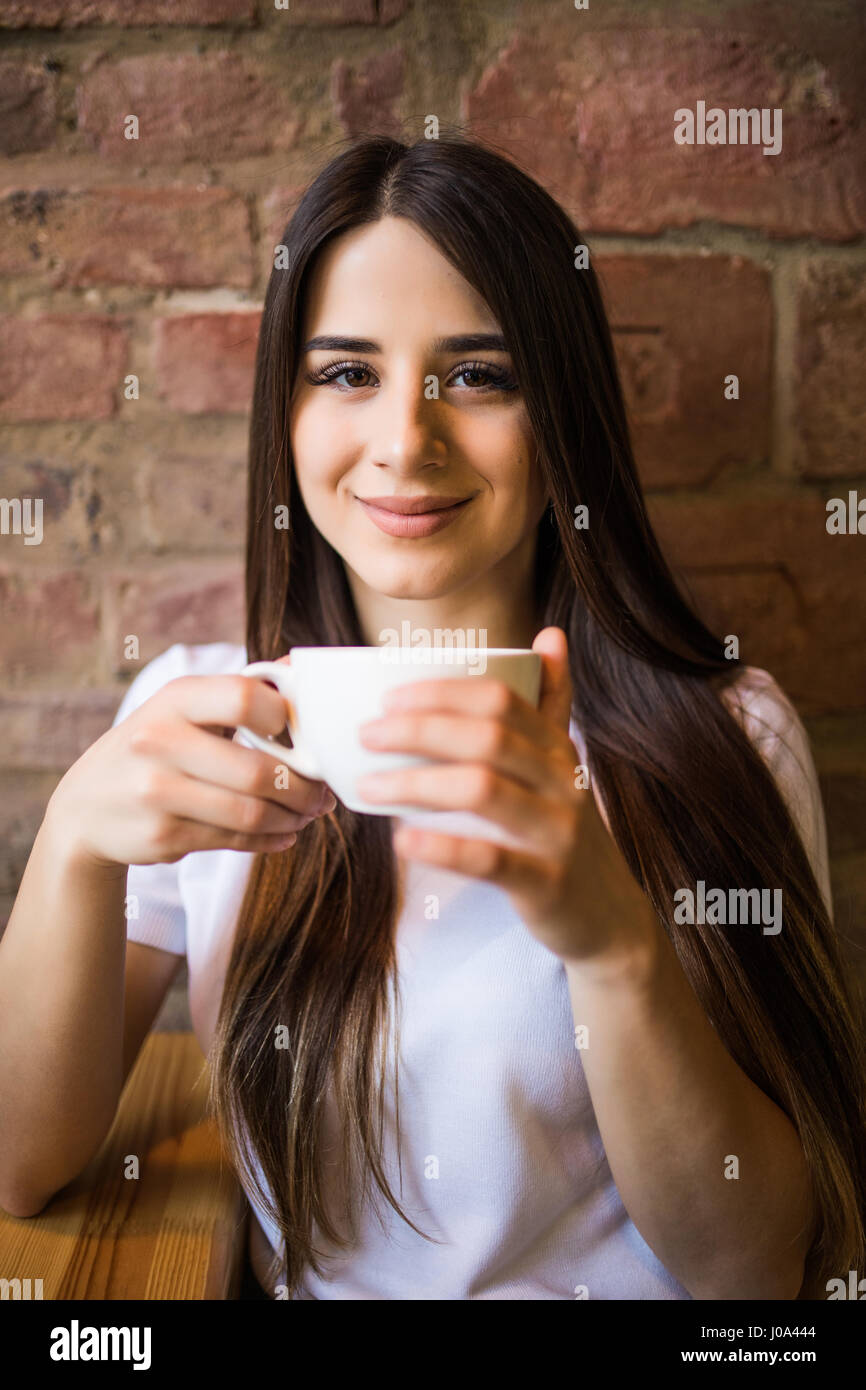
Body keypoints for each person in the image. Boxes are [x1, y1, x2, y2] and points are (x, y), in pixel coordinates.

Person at [1, 134, 863, 1303]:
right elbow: (19, 1167)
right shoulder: (195, 721)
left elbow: (756, 1273)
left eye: (478, 374)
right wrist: (71, 846)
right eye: (346, 372)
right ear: (286, 411)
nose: (405, 440)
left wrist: (611, 944)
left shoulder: (722, 733)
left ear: (558, 411)